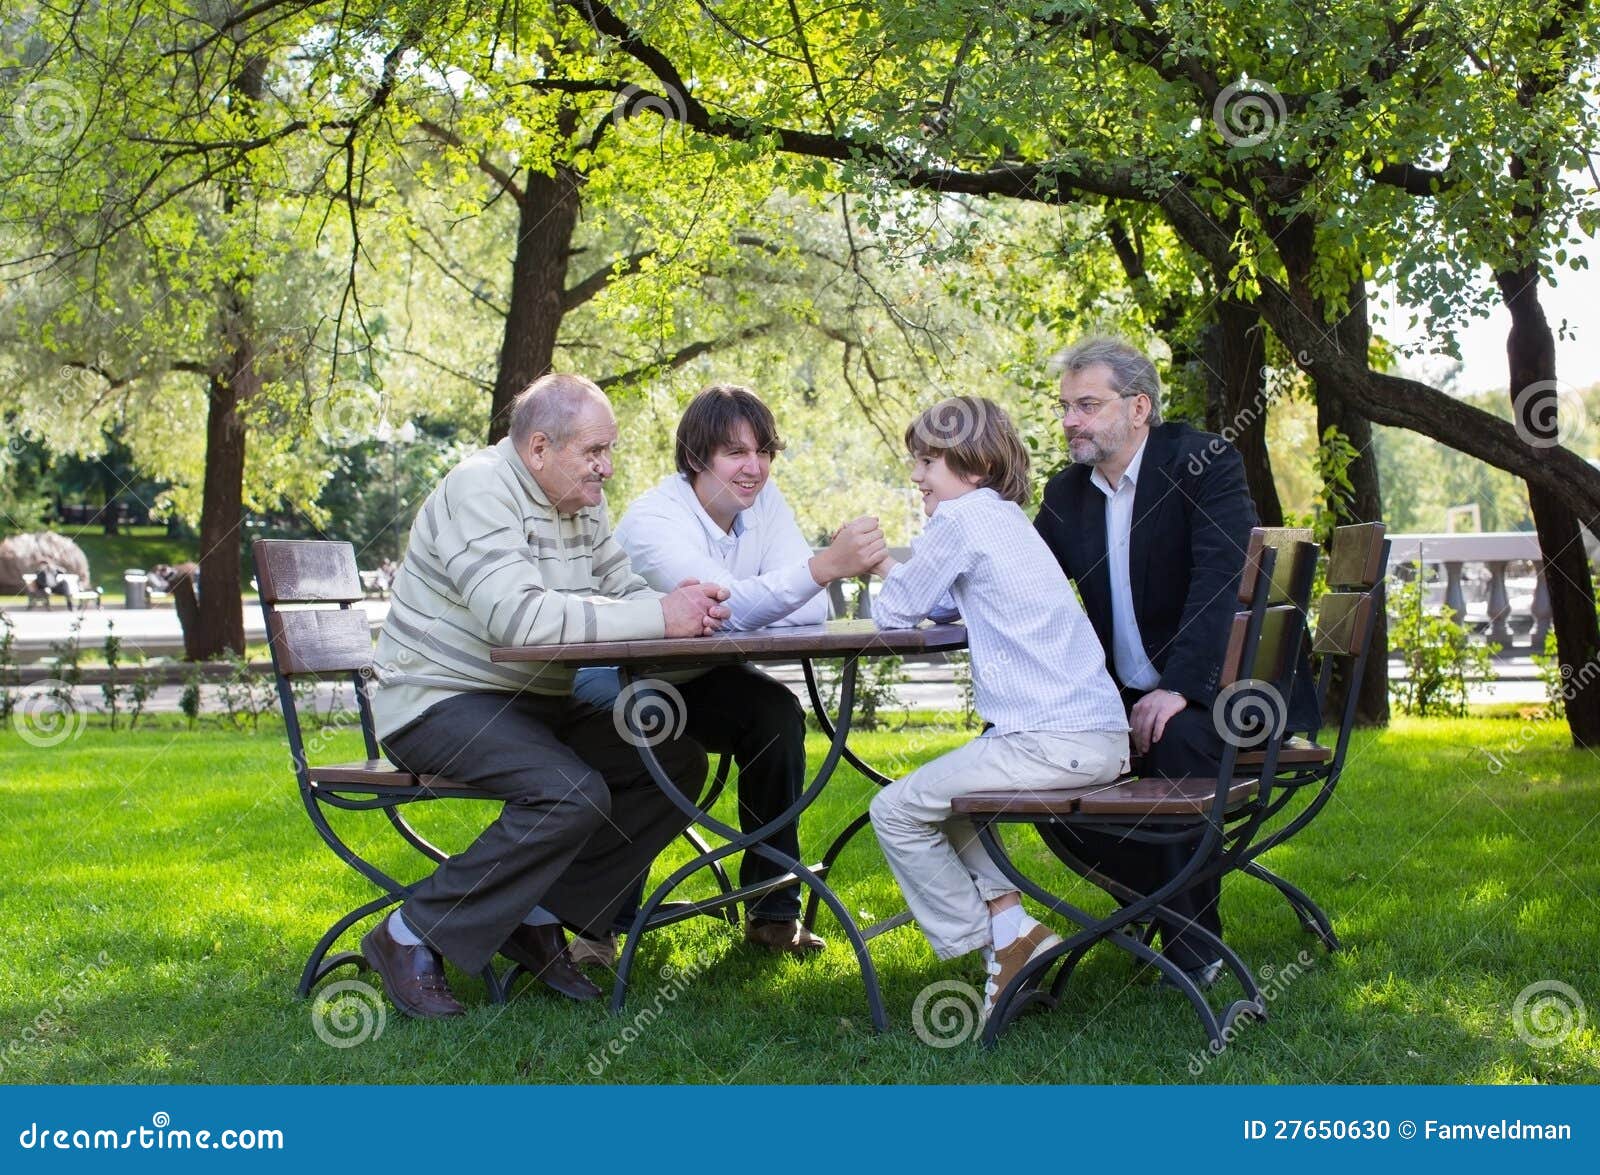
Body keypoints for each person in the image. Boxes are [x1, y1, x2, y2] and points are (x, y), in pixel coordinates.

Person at [363, 372, 729, 1018]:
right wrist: (659, 616)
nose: (607, 467)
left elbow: (622, 589)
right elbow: (519, 621)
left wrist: (681, 607)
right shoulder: (480, 489)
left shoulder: (581, 501)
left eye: (609, 450)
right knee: (569, 793)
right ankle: (408, 932)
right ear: (539, 448)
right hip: (435, 700)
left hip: (531, 702)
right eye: (594, 451)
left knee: (671, 763)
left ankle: (535, 916)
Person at [572, 383, 886, 958]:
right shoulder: (653, 520)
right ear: (697, 457)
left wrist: (778, 589)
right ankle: (599, 923)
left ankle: (773, 910)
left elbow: (810, 608)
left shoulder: (762, 502)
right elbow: (728, 609)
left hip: (696, 674)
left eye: (763, 451)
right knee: (657, 737)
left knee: (776, 713)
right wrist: (815, 570)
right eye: (736, 452)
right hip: (614, 679)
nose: (755, 467)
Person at [866, 395, 1130, 1026]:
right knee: (951, 803)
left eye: (928, 462)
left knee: (895, 811)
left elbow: (894, 612)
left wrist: (874, 565)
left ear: (975, 466)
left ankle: (995, 939)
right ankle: (1011, 928)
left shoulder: (959, 520)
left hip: (1049, 742)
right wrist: (901, 574)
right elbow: (943, 601)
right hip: (1090, 737)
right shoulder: (1005, 518)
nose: (916, 476)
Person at [1032, 336, 1257, 989]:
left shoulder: (1203, 462)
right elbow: (1025, 583)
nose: (1070, 421)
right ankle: (1154, 901)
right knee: (1028, 753)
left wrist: (1179, 688)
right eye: (1065, 407)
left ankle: (1193, 946)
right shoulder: (1065, 494)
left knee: (1174, 735)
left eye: (1087, 405)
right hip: (1123, 698)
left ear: (1138, 408)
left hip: (1224, 694)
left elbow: (1221, 580)